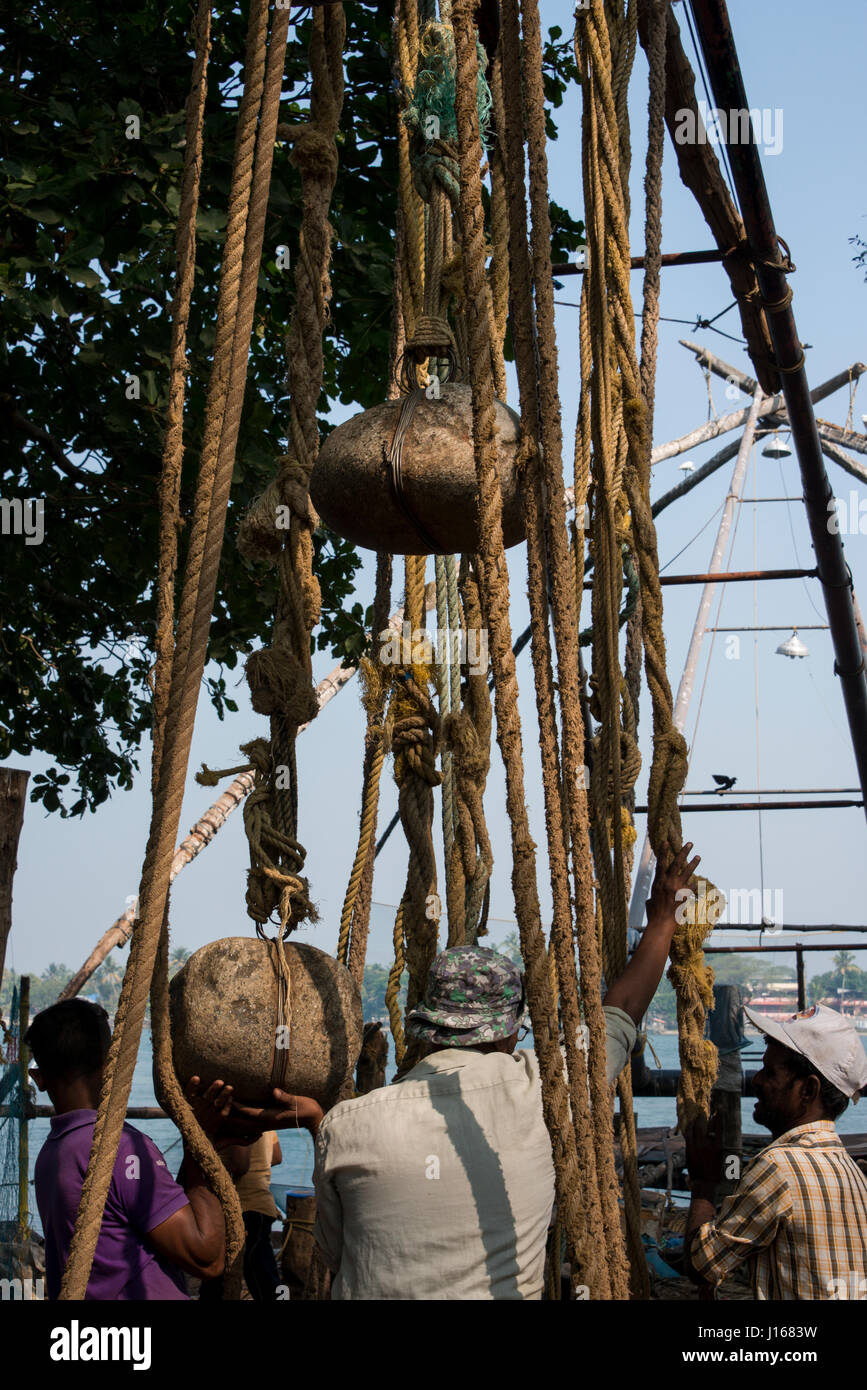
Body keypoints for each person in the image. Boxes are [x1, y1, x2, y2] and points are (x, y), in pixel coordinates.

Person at [309, 842, 701, 1300]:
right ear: (508, 1033)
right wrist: (662, 922)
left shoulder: (345, 1125)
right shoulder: (545, 1095)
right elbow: (623, 1011)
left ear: (426, 1028)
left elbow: (336, 1254)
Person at [27, 998, 237, 1300]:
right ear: (113, 1061)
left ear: (40, 1078)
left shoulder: (53, 1153)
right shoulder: (122, 1149)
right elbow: (206, 1256)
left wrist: (202, 1145)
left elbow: (152, 1215)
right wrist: (201, 1139)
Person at [684, 1002, 867, 1299]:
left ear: (808, 1090)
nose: (755, 1080)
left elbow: (702, 1264)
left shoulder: (777, 1167)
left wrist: (703, 1184)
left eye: (769, 1073)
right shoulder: (853, 1173)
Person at [200, 1131, 283, 1301]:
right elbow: (276, 1156)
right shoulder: (264, 1120)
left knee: (262, 1276)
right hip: (259, 1203)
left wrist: (208, 1170)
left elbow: (240, 1164)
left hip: (244, 1205)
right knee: (219, 1277)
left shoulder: (235, 1117)